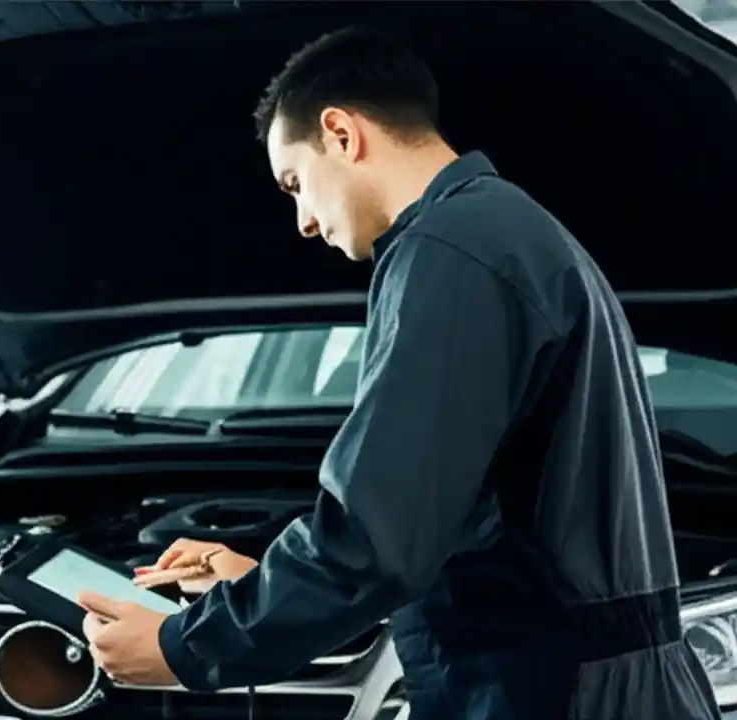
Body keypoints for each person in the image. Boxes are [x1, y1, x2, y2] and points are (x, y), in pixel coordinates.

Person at [75, 26, 722, 720]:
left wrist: (185, 646)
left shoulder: (451, 251)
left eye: (295, 183)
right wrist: (263, 581)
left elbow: (374, 540)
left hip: (553, 695)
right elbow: (451, 516)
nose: (302, 222)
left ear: (341, 133)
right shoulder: (499, 232)